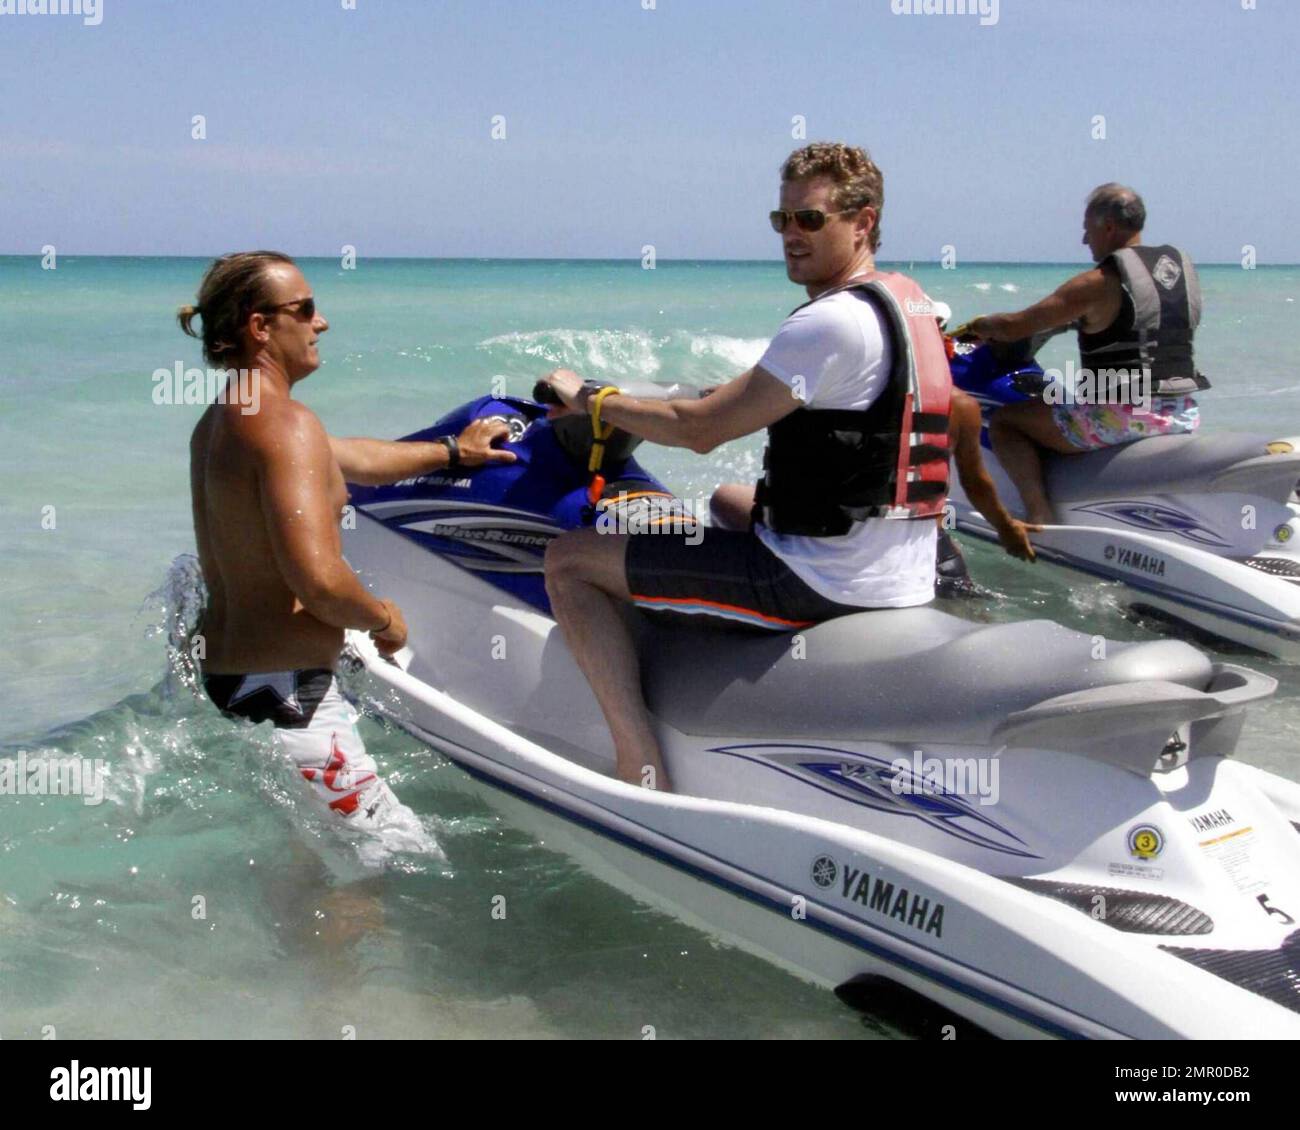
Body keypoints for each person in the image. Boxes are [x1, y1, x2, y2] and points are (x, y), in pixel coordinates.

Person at [541, 143, 951, 792]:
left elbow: (700, 431)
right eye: (781, 219)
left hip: (822, 583)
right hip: (899, 565)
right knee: (731, 500)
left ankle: (637, 761)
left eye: (810, 220)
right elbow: (770, 395)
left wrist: (595, 401)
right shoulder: (911, 305)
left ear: (863, 222)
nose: (791, 235)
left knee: (568, 560)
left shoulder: (828, 324)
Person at [184, 250, 514, 870]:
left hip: (234, 686)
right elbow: (317, 580)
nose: (321, 322)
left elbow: (349, 458)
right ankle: (354, 973)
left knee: (310, 864)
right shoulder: (285, 424)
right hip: (292, 696)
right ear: (261, 327)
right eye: (305, 309)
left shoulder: (224, 419)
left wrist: (451, 452)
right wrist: (383, 620)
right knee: (392, 867)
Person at [960, 184, 1207, 525]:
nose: (1084, 240)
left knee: (1006, 422)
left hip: (1123, 417)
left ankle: (1038, 515)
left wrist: (981, 324)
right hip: (1181, 412)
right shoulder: (1178, 273)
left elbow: (1018, 325)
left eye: (1087, 229)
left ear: (1107, 227)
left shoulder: (1098, 283)